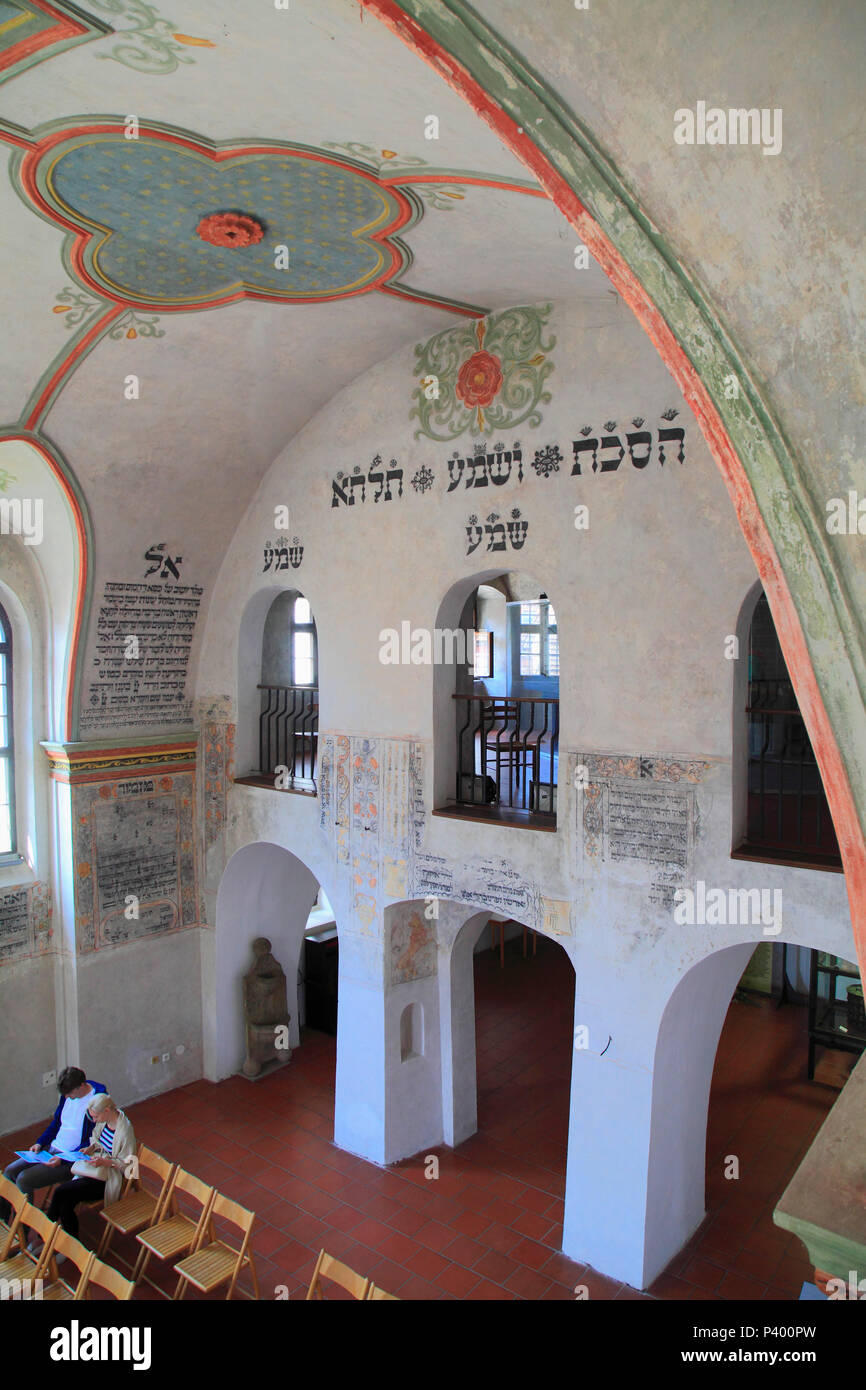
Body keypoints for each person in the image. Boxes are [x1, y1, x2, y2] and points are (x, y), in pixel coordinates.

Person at [1, 1067, 107, 1218]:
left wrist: (63, 1158)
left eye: (70, 1094)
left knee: (24, 1179)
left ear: (81, 1086)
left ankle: (26, 1229)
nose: (68, 1097)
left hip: (70, 1159)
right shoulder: (67, 1096)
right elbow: (56, 1123)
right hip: (51, 1148)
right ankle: (3, 1220)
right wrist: (40, 1142)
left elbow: (92, 1142)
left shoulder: (98, 1102)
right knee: (10, 1171)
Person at [46, 1093, 136, 1241]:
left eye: (96, 1117)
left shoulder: (125, 1131)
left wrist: (105, 1162)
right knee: (66, 1202)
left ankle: (45, 1232)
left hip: (107, 1179)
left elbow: (130, 1168)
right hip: (94, 1170)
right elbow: (96, 1140)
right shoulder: (103, 1122)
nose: (94, 1120)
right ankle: (68, 1243)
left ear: (107, 1110)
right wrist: (90, 1148)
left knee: (61, 1192)